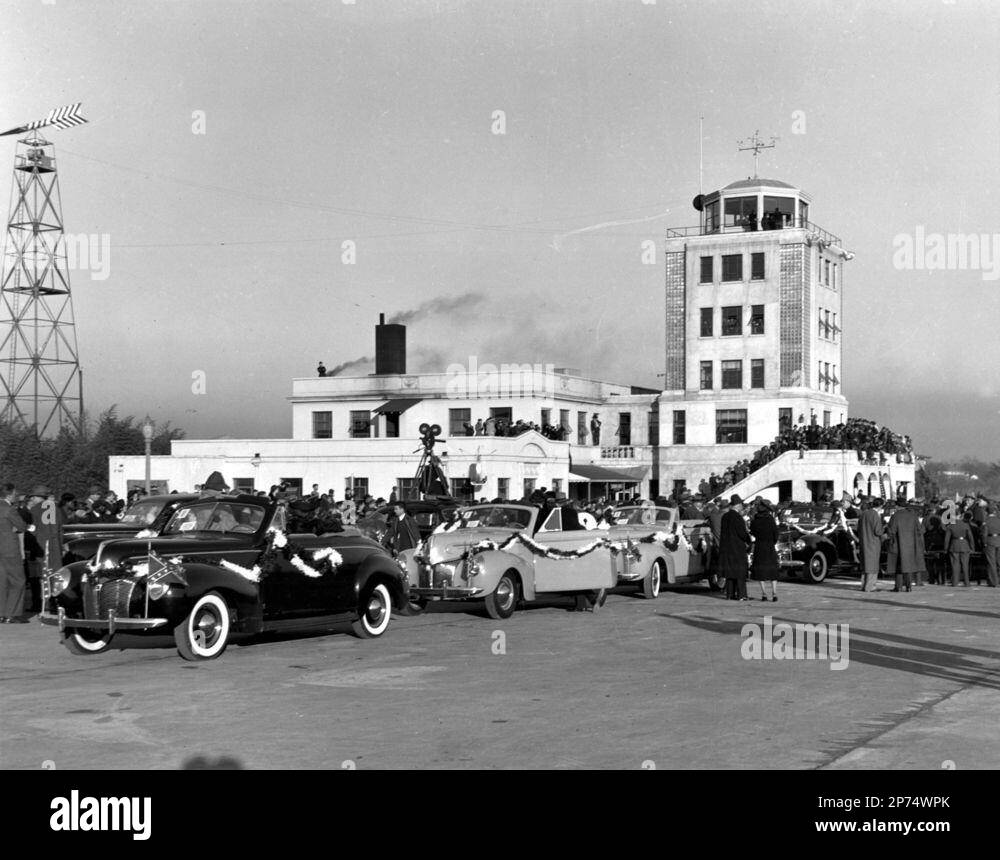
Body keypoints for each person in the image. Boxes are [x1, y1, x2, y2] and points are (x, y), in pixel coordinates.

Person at [0, 484, 29, 623]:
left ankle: (1, 613)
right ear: (9, 494)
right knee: (18, 580)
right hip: (10, 549)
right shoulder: (9, 509)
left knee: (2, 581)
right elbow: (22, 526)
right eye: (15, 494)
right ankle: (12, 614)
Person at [719, 494, 752, 600]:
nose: (742, 506)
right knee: (740, 572)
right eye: (741, 504)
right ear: (737, 505)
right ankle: (742, 595)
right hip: (737, 548)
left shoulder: (725, 516)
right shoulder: (738, 517)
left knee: (729, 572)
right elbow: (742, 533)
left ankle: (730, 594)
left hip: (726, 547)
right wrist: (749, 539)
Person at [886, 502, 924, 592]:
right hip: (911, 544)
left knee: (898, 565)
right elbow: (920, 530)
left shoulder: (895, 516)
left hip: (898, 544)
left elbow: (891, 531)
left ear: (898, 506)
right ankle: (908, 586)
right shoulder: (913, 516)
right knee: (908, 565)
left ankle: (898, 587)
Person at [749, 499, 780, 602]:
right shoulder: (770, 519)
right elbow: (776, 534)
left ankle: (764, 594)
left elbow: (752, 532)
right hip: (769, 546)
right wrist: (772, 542)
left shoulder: (755, 520)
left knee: (760, 572)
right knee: (773, 571)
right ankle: (774, 594)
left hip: (759, 546)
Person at [857, 498, 884, 591]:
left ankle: (863, 585)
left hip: (864, 542)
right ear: (880, 506)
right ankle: (870, 586)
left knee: (865, 565)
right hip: (873, 543)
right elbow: (878, 531)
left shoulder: (864, 514)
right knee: (873, 565)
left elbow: (858, 529)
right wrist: (884, 528)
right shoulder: (875, 515)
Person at [943, 512, 976, 587]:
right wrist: (972, 547)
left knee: (955, 565)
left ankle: (955, 582)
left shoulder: (950, 526)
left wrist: (945, 548)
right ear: (959, 516)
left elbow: (947, 539)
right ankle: (967, 582)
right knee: (965, 565)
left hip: (954, 545)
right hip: (964, 545)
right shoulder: (965, 524)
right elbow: (970, 537)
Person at [980, 503, 1000, 588]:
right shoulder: (998, 520)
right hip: (998, 540)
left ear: (987, 512)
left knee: (991, 562)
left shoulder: (986, 521)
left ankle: (994, 582)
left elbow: (984, 534)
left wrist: (984, 543)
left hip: (990, 541)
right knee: (999, 561)